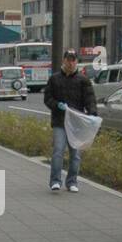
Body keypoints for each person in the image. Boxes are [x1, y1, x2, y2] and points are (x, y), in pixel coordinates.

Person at [44, 49, 99, 193]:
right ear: (63, 60)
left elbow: (90, 99)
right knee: (58, 150)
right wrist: (57, 105)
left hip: (76, 123)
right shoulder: (54, 79)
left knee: (75, 153)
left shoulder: (83, 80)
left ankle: (72, 181)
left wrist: (92, 114)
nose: (71, 62)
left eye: (73, 59)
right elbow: (47, 98)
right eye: (68, 59)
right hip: (59, 121)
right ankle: (55, 181)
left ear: (77, 62)